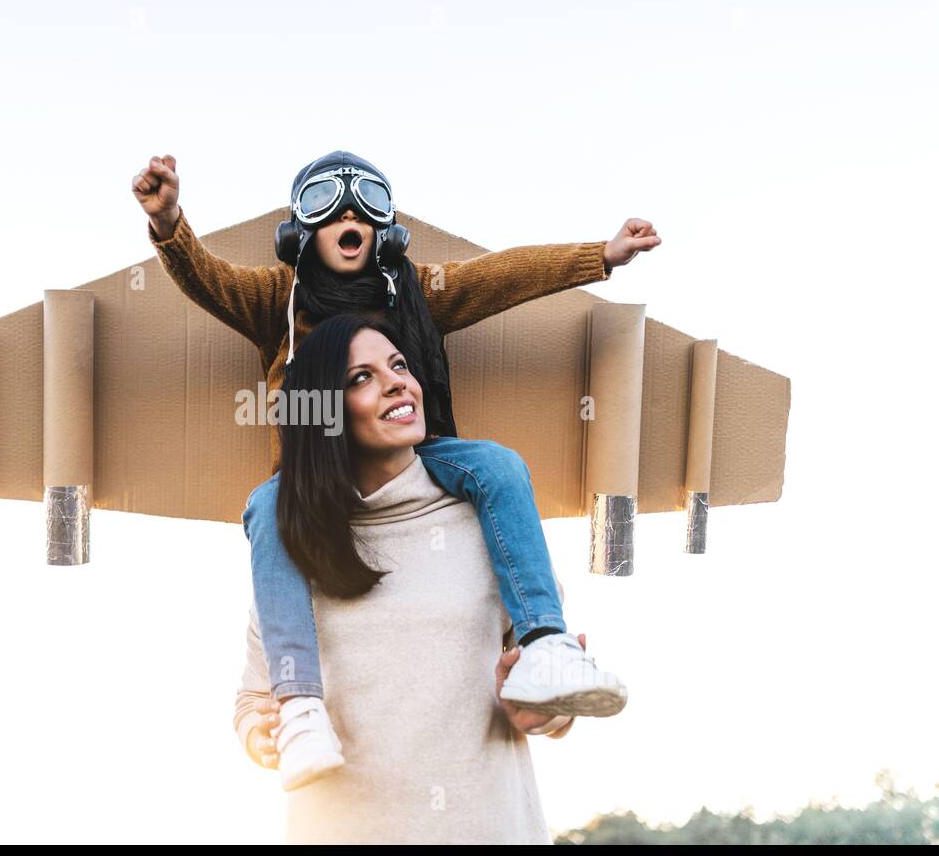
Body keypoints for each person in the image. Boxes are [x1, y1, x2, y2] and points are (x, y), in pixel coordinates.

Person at [133, 150, 658, 791]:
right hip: (317, 474)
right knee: (267, 505)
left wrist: (599, 255)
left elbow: (502, 275)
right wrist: (169, 223)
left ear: (386, 230)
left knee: (496, 465)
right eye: (329, 204)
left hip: (419, 450)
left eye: (367, 207)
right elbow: (206, 279)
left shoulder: (411, 291)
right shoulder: (279, 298)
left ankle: (546, 645)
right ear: (301, 231)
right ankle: (301, 705)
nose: (349, 216)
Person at [233, 314, 588, 843]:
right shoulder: (287, 554)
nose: (398, 381)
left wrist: (546, 708)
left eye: (399, 365)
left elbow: (552, 707)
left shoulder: (490, 525)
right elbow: (251, 701)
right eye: (361, 377)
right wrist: (258, 735)